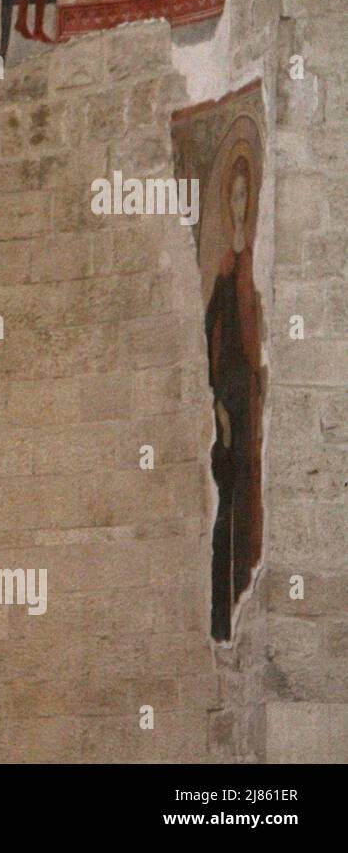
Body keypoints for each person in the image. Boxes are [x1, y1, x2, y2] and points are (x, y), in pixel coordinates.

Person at [205, 151, 264, 641]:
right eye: (235, 195)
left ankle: (246, 595)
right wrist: (217, 403)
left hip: (253, 397)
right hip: (228, 398)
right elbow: (211, 335)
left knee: (250, 498)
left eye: (246, 194)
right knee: (226, 497)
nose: (241, 202)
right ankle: (222, 618)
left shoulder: (256, 259)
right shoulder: (227, 266)